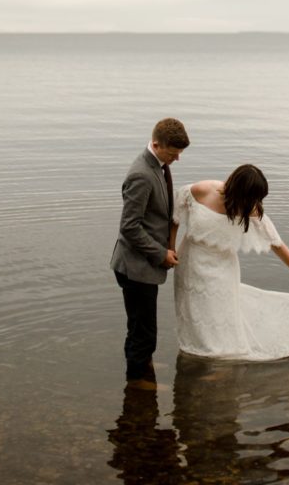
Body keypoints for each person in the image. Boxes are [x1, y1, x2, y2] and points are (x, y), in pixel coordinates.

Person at [171, 164, 289, 361]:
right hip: (190, 264)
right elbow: (175, 215)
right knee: (195, 315)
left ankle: (218, 360)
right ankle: (199, 359)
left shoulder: (253, 210)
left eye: (258, 198)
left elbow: (276, 244)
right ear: (238, 189)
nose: (256, 203)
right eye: (252, 197)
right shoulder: (202, 190)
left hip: (223, 269)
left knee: (221, 317)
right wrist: (170, 248)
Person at [110, 117, 190, 382]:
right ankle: (139, 388)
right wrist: (161, 253)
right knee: (142, 334)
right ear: (156, 144)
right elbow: (129, 228)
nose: (177, 159)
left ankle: (143, 369)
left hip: (142, 265)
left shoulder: (159, 165)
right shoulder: (141, 175)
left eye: (180, 153)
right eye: (173, 153)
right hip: (135, 268)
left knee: (143, 332)